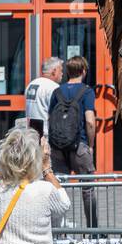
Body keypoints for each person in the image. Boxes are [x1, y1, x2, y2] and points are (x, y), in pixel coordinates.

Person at [47, 55, 98, 226]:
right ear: (83, 71)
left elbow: (51, 118)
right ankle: (93, 230)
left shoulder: (57, 91)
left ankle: (58, 229)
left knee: (58, 188)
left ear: (67, 72)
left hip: (58, 147)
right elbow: (90, 121)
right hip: (79, 146)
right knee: (88, 188)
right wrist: (90, 145)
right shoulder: (87, 91)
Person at [25, 57, 63, 136]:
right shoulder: (53, 87)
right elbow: (58, 114)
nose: (62, 74)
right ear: (54, 71)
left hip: (31, 134)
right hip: (46, 135)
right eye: (61, 70)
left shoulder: (31, 84)